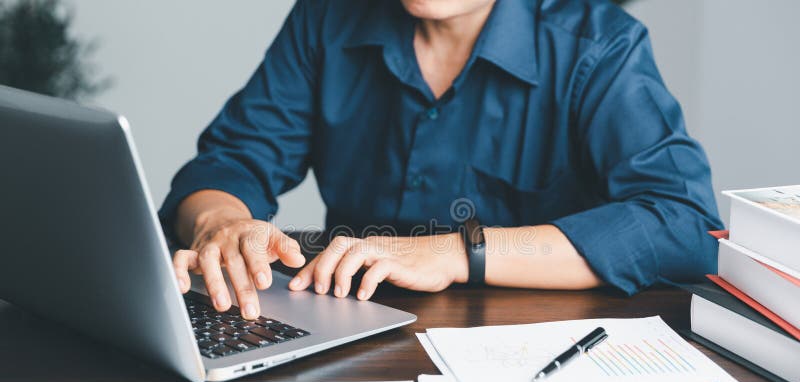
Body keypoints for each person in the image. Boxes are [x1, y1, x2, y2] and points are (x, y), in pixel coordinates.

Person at [159, 0, 723, 321]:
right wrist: (223, 224)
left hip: (530, 345)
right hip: (344, 320)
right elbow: (232, 159)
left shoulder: (598, 46)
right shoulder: (327, 18)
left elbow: (683, 224)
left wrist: (458, 251)